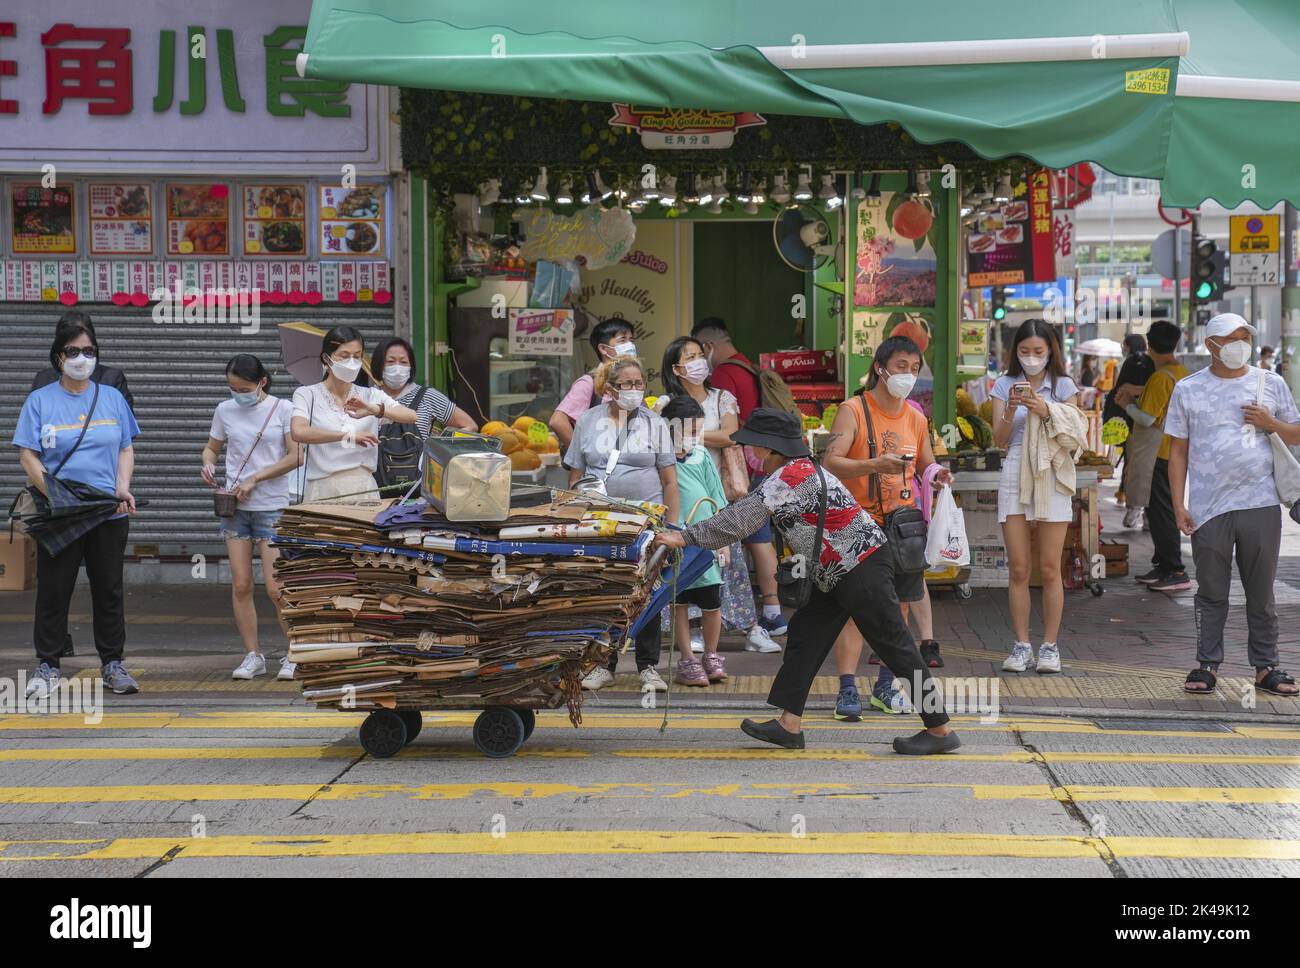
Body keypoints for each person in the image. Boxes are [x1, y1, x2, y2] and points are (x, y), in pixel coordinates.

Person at [652, 408, 960, 755]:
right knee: (806, 637)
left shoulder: (787, 478)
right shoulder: (801, 469)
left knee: (896, 645)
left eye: (755, 447)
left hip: (860, 567)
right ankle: (788, 724)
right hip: (839, 570)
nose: (753, 455)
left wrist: (684, 538)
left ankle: (939, 728)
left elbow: (737, 522)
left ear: (771, 449)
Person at [1166, 313, 1299, 698]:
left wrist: (1269, 421)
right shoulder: (1188, 389)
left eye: (1245, 337)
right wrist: (1179, 504)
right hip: (1208, 506)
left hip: (1260, 502)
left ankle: (1266, 666)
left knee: (1262, 591)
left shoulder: (1268, 383)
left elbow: (1297, 433)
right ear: (1211, 345)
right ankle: (1207, 664)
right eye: (1232, 338)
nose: (1241, 344)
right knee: (1211, 591)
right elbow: (1177, 451)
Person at [823, 336, 952, 719]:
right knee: (853, 610)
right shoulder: (853, 410)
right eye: (900, 366)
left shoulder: (915, 415)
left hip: (902, 526)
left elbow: (927, 463)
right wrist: (874, 465)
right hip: (856, 524)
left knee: (899, 610)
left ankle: (884, 687)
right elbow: (831, 461)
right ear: (880, 368)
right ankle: (847, 689)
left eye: (914, 369)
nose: (907, 375)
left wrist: (938, 474)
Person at [14, 315, 141, 698]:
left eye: (88, 351)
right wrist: (54, 493)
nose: (81, 358)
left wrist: (122, 488)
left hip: (106, 509)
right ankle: (48, 665)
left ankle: (113, 664)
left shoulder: (112, 397)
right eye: (73, 351)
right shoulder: (40, 400)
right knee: (55, 589)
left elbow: (125, 447)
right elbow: (28, 455)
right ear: (58, 357)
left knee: (109, 589)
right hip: (61, 511)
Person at [565, 356, 681, 692]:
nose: (634, 390)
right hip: (601, 520)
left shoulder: (655, 424)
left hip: (647, 520)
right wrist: (576, 514)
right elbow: (575, 473)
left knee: (646, 589)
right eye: (626, 384)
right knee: (606, 588)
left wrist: (670, 527)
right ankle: (604, 663)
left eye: (638, 383)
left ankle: (647, 666)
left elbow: (670, 481)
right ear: (610, 388)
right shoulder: (588, 421)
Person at [655, 336, 768, 651]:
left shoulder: (723, 398)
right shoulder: (663, 404)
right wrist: (703, 436)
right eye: (689, 357)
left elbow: (732, 435)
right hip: (678, 495)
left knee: (722, 559)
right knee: (682, 567)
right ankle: (686, 640)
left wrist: (689, 433)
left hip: (716, 488)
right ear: (676, 368)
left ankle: (747, 628)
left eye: (698, 354)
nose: (698, 361)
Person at [990, 319, 1083, 674]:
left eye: (1038, 352)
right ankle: (1021, 644)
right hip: (1015, 468)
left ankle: (1050, 646)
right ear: (1015, 352)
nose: (1031, 358)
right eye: (1024, 351)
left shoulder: (1062, 385)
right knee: (1018, 568)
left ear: (1051, 352)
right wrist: (1013, 407)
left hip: (1052, 471)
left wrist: (1045, 409)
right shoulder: (1002, 384)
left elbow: (1075, 430)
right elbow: (999, 439)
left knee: (1049, 568)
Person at [202, 355, 301, 681]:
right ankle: (252, 655)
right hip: (236, 508)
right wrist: (208, 463)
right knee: (241, 584)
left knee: (276, 587)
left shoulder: (283, 409)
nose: (237, 394)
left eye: (243, 388)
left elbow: (295, 456)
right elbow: (212, 448)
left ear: (263, 382)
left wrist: (256, 479)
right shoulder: (224, 410)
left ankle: (293, 654)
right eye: (232, 388)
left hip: (271, 506)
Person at [690, 317, 786, 645]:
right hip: (754, 466)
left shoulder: (723, 377)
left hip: (732, 475)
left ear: (707, 347)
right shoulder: (747, 367)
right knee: (758, 539)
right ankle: (771, 611)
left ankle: (717, 623)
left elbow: (730, 433)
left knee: (724, 544)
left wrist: (690, 434)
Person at [290, 326, 419, 504]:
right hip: (322, 488)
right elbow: (299, 432)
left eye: (357, 356)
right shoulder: (307, 394)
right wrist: (349, 436)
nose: (351, 362)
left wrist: (375, 409)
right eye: (344, 356)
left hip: (364, 487)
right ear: (326, 358)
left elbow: (411, 416)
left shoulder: (371, 395)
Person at [1113, 322, 1189, 592]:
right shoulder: (1180, 373)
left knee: (1161, 512)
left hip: (1160, 453)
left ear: (1150, 345)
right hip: (1176, 451)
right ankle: (1163, 565)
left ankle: (1174, 568)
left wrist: (1126, 404)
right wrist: (1138, 390)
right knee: (1160, 510)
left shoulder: (1160, 378)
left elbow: (1146, 418)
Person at [659, 395, 729, 687]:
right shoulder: (660, 459)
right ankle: (687, 659)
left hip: (707, 540)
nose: (694, 437)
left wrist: (723, 541)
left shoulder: (701, 456)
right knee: (680, 602)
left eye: (697, 431)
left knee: (712, 601)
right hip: (675, 540)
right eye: (689, 431)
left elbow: (717, 497)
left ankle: (711, 655)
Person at [549, 317, 638, 449]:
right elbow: (557, 421)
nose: (630, 345)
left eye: (631, 340)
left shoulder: (631, 382)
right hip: (597, 467)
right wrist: (582, 455)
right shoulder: (589, 382)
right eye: (622, 340)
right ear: (603, 348)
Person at [371, 336, 477, 437]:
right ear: (378, 364)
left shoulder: (427, 396)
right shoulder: (368, 397)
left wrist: (442, 446)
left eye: (403, 362)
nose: (398, 368)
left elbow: (470, 426)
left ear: (411, 367)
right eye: (390, 361)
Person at [31, 310, 134, 411]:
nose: (79, 356)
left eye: (86, 349)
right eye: (71, 349)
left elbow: (125, 423)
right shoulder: (43, 381)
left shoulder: (112, 381)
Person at [1105, 332, 1159, 527]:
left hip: (1131, 421)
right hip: (1154, 425)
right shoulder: (1154, 364)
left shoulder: (1129, 363)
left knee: (1132, 468)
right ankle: (1147, 516)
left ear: (1128, 346)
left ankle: (1134, 510)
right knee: (1151, 472)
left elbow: (1120, 390)